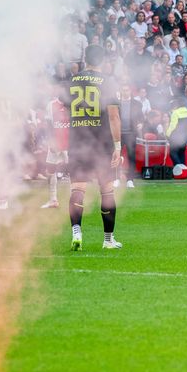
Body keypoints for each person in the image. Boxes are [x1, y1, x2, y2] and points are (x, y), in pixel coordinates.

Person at [67, 45, 123, 251]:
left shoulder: (72, 80)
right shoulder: (107, 82)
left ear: (85, 58)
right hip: (101, 142)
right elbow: (113, 116)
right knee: (106, 190)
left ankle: (76, 232)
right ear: (103, 60)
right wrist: (117, 146)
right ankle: (108, 240)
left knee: (78, 188)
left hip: (77, 141)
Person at [41, 94, 70, 209]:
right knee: (50, 170)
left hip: (70, 144)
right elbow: (48, 125)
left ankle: (75, 200)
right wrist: (51, 141)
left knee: (74, 172)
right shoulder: (51, 105)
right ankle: (53, 200)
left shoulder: (73, 102)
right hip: (56, 143)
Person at [165, 99, 187, 166]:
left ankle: (180, 167)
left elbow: (173, 126)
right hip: (185, 138)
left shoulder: (176, 112)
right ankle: (183, 169)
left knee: (172, 153)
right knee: (181, 154)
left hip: (176, 138)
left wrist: (167, 134)